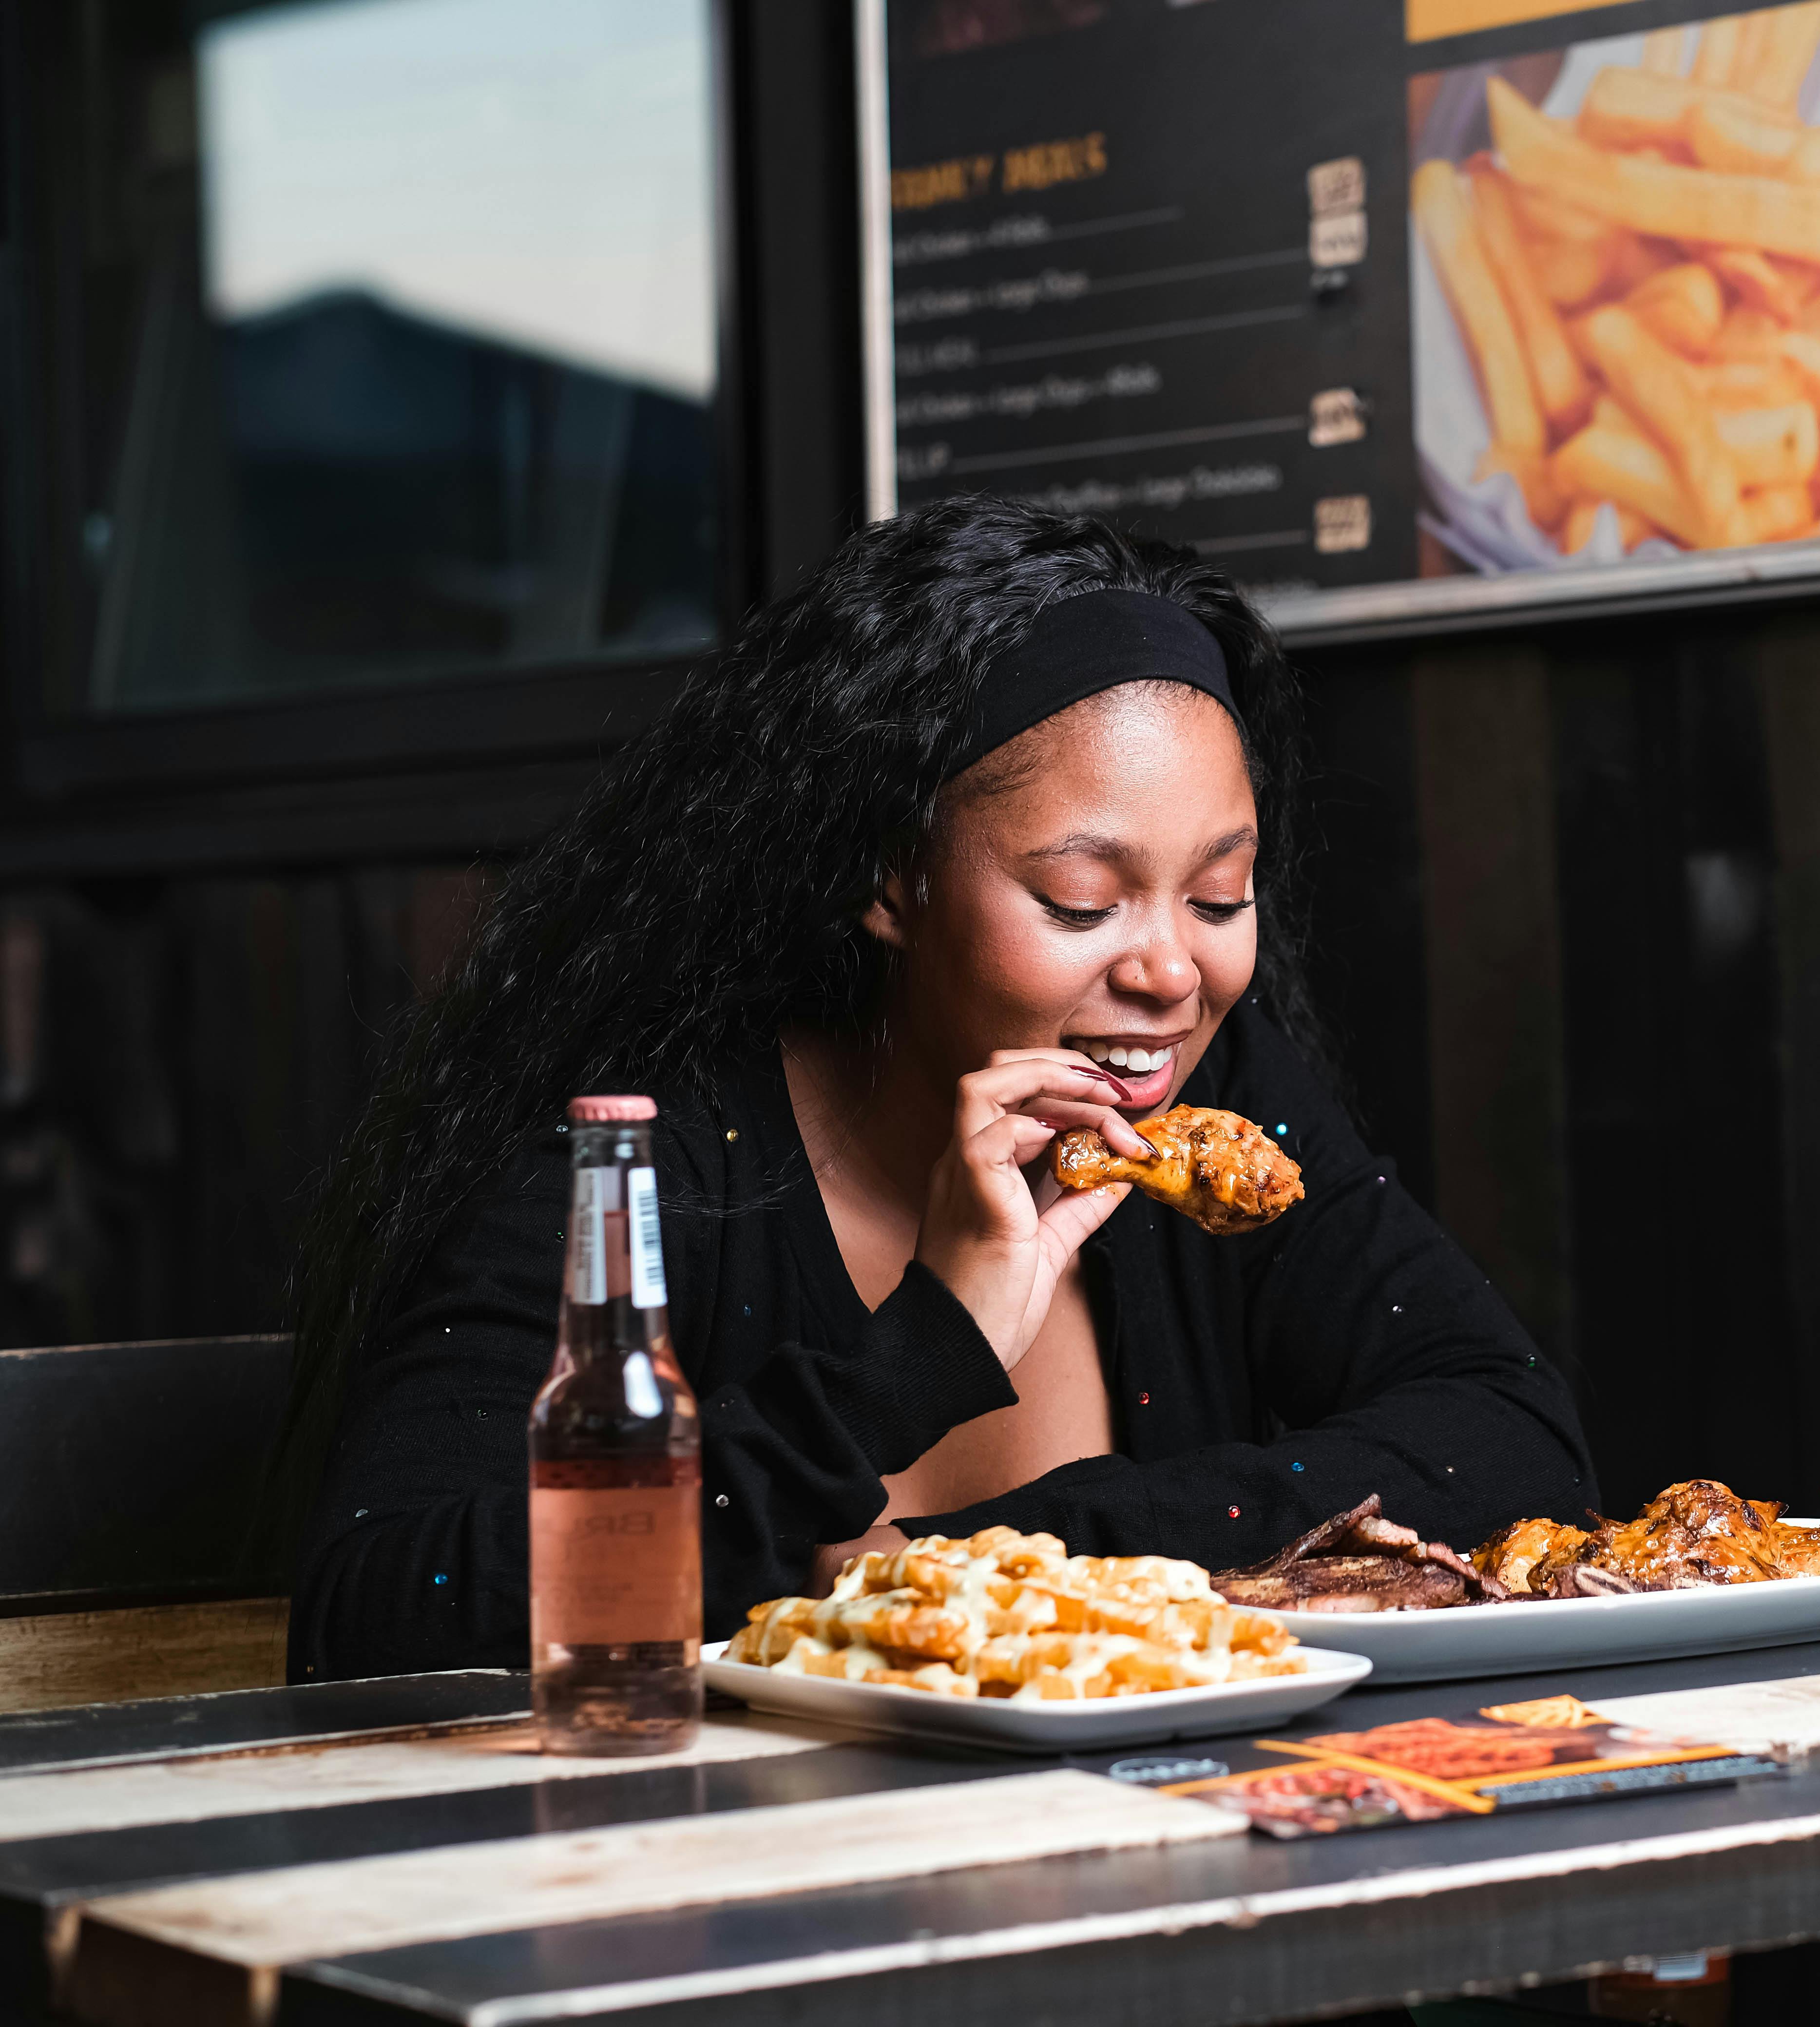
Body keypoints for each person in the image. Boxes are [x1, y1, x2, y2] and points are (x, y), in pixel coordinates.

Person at [276, 500, 1592, 1680]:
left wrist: (996, 1563)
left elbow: (1510, 1432)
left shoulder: (1218, 1110)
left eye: (1219, 897)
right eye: (1082, 900)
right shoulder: (644, 1163)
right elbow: (384, 1598)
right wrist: (909, 1360)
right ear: (891, 881)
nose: (1170, 973)